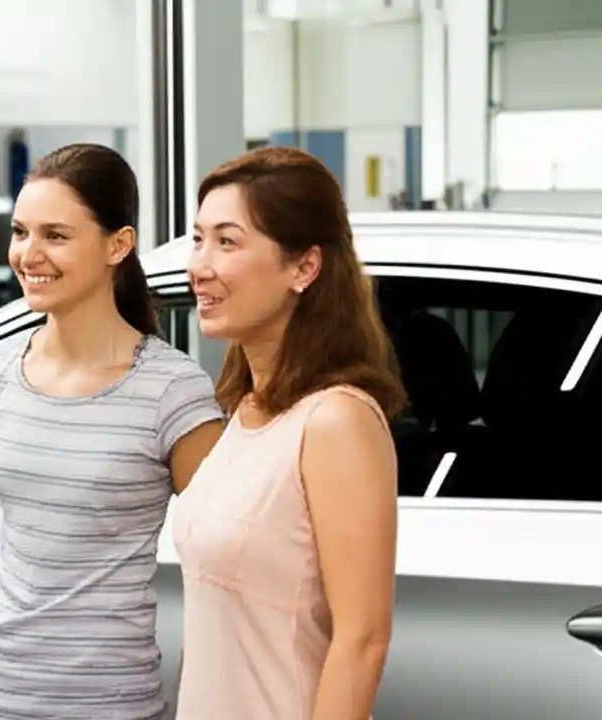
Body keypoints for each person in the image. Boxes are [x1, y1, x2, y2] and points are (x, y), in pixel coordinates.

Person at [0, 143, 225, 720]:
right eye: (20, 232)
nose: (28, 254)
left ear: (117, 245)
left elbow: (222, 577)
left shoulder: (174, 391)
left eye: (56, 235)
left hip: (113, 706)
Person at [173, 146, 405, 719]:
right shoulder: (246, 412)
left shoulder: (336, 421)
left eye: (228, 242)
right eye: (198, 239)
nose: (199, 265)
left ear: (304, 267)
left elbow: (363, 640)